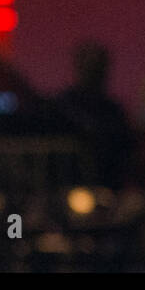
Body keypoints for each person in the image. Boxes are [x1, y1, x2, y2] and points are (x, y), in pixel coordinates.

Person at [54, 40, 134, 187]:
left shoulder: (114, 111)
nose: (93, 72)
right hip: (69, 184)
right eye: (89, 67)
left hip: (107, 184)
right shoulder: (62, 107)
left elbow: (125, 153)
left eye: (97, 67)